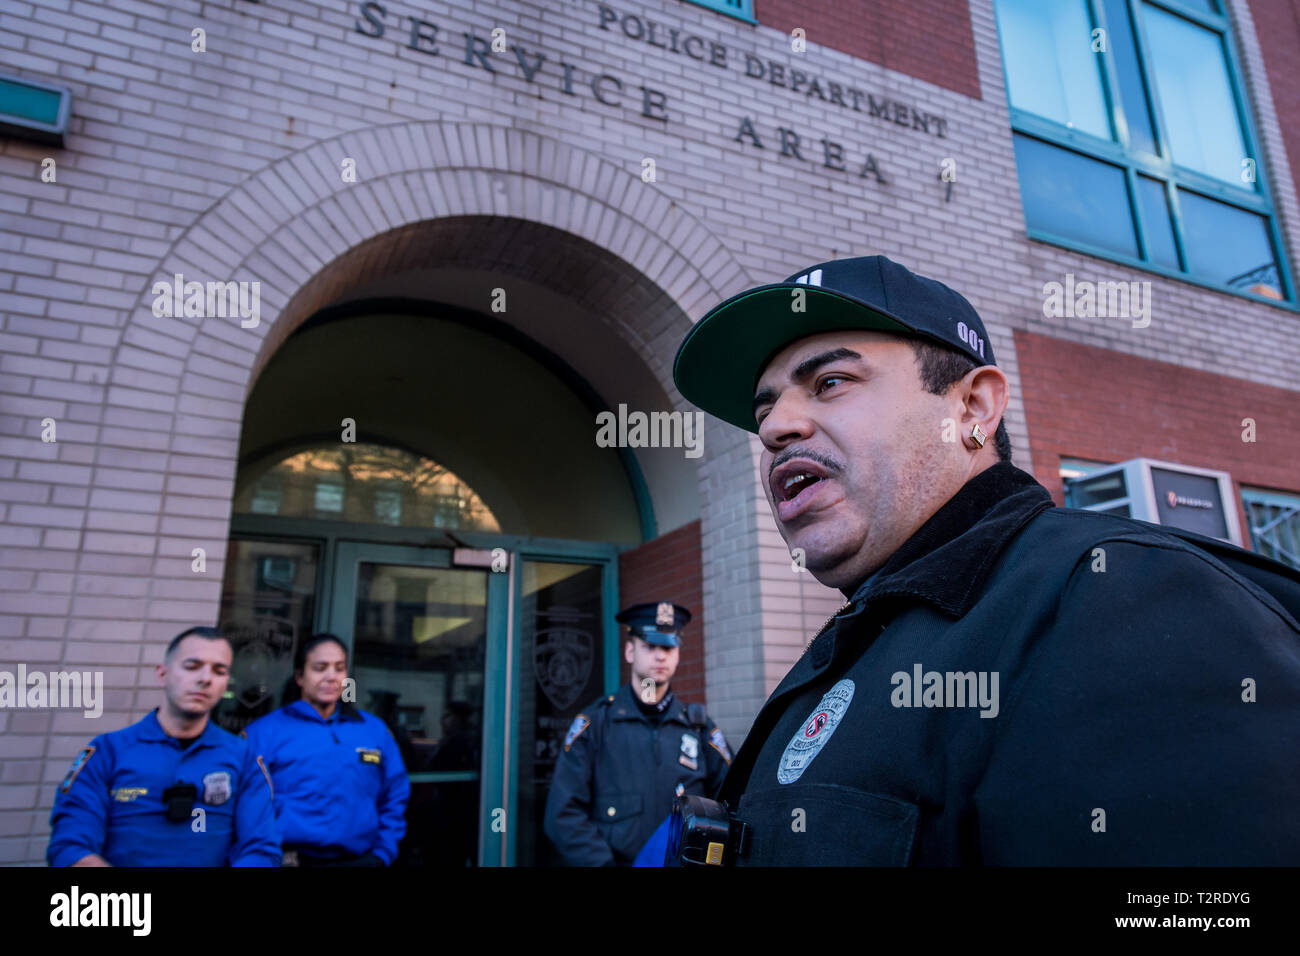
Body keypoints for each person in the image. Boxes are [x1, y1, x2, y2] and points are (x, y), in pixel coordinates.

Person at [671, 254, 1300, 865]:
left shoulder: (1122, 601)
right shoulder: (868, 636)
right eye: (765, 412)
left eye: (830, 382)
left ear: (972, 409)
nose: (777, 426)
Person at [46, 626, 280, 866]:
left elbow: (260, 849)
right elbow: (71, 845)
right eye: (192, 667)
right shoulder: (107, 752)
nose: (205, 678)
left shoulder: (244, 758)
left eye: (219, 671)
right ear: (162, 674)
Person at [543, 601, 732, 866]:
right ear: (630, 651)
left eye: (668, 647)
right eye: (650, 646)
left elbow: (731, 802)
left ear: (677, 654)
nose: (660, 656)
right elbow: (563, 814)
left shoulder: (699, 727)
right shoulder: (596, 724)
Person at [244, 634, 410, 866]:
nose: (331, 677)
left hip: (360, 860)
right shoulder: (264, 732)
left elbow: (396, 792)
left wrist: (382, 853)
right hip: (287, 860)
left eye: (339, 668)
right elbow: (246, 805)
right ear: (300, 676)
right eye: (320, 668)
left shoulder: (373, 730)